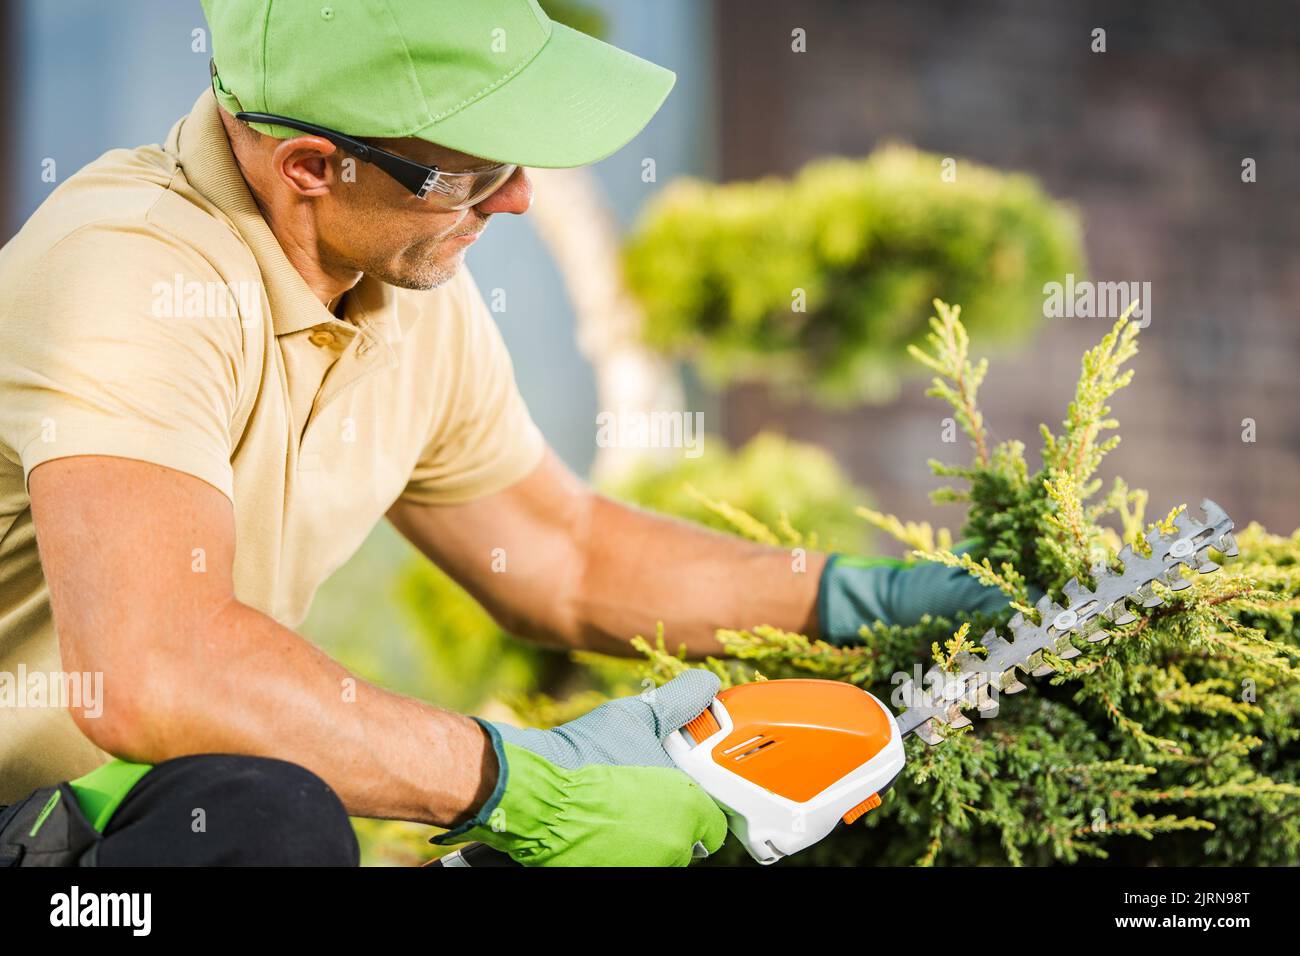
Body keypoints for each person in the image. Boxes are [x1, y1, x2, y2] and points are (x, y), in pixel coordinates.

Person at [0, 0, 1009, 866]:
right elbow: (158, 667)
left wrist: (849, 593)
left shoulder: (398, 286)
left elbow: (560, 554)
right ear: (312, 164)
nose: (519, 196)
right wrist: (519, 784)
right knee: (269, 824)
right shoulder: (127, 271)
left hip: (91, 820)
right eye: (475, 173)